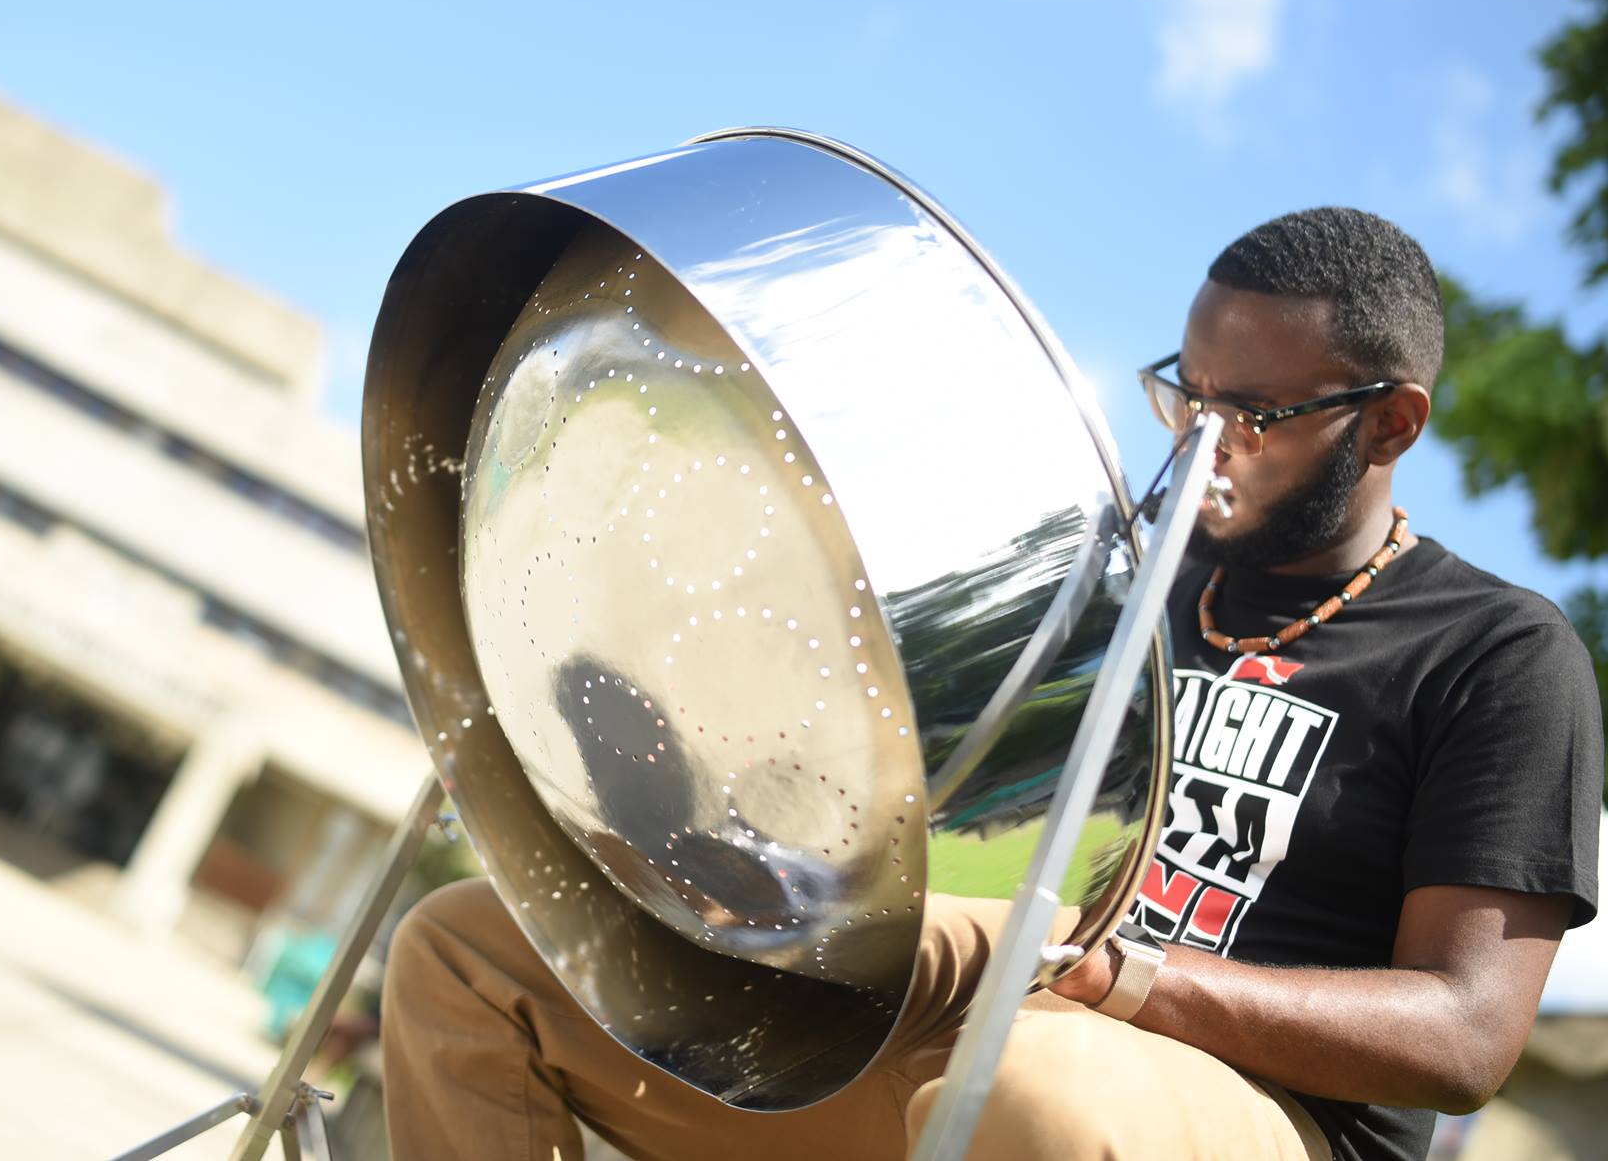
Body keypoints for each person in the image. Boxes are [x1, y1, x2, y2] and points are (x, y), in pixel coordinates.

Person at [379, 208, 1603, 1160]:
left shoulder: (1495, 654)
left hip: (1241, 1114)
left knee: (1033, 1084)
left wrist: (1129, 973)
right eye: (1185, 392)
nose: (1199, 445)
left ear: (1387, 425)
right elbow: (954, 839)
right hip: (967, 1050)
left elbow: (1463, 1035)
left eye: (1254, 416)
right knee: (473, 953)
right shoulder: (1112, 589)